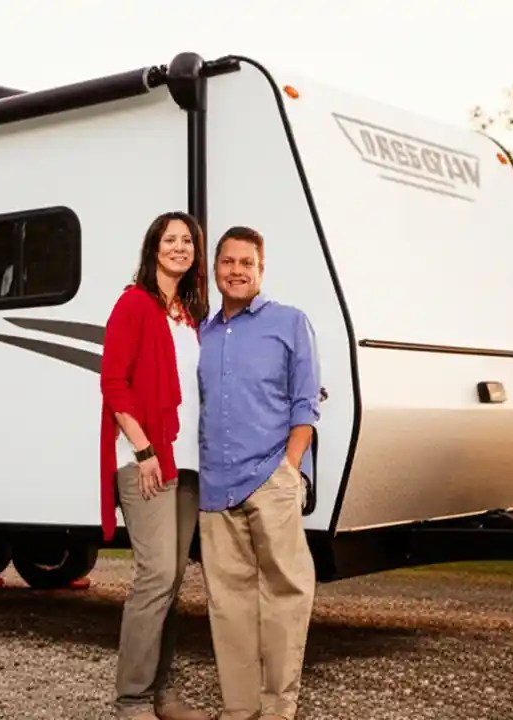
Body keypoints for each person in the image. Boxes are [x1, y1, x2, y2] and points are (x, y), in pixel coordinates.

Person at [196, 226, 321, 720]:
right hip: (215, 487)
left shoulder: (290, 323)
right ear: (216, 269)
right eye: (228, 262)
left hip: (272, 477)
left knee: (285, 596)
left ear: (261, 269)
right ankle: (239, 709)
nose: (237, 271)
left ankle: (277, 709)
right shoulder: (201, 334)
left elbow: (306, 403)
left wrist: (289, 469)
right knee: (228, 605)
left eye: (247, 263)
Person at [100, 211, 211, 720]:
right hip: (147, 459)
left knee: (171, 580)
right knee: (156, 574)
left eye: (187, 241)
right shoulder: (133, 305)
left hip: (186, 463)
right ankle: (132, 700)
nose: (180, 248)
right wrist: (144, 450)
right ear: (154, 248)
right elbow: (114, 384)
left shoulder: (187, 316)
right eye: (170, 239)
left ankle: (163, 694)